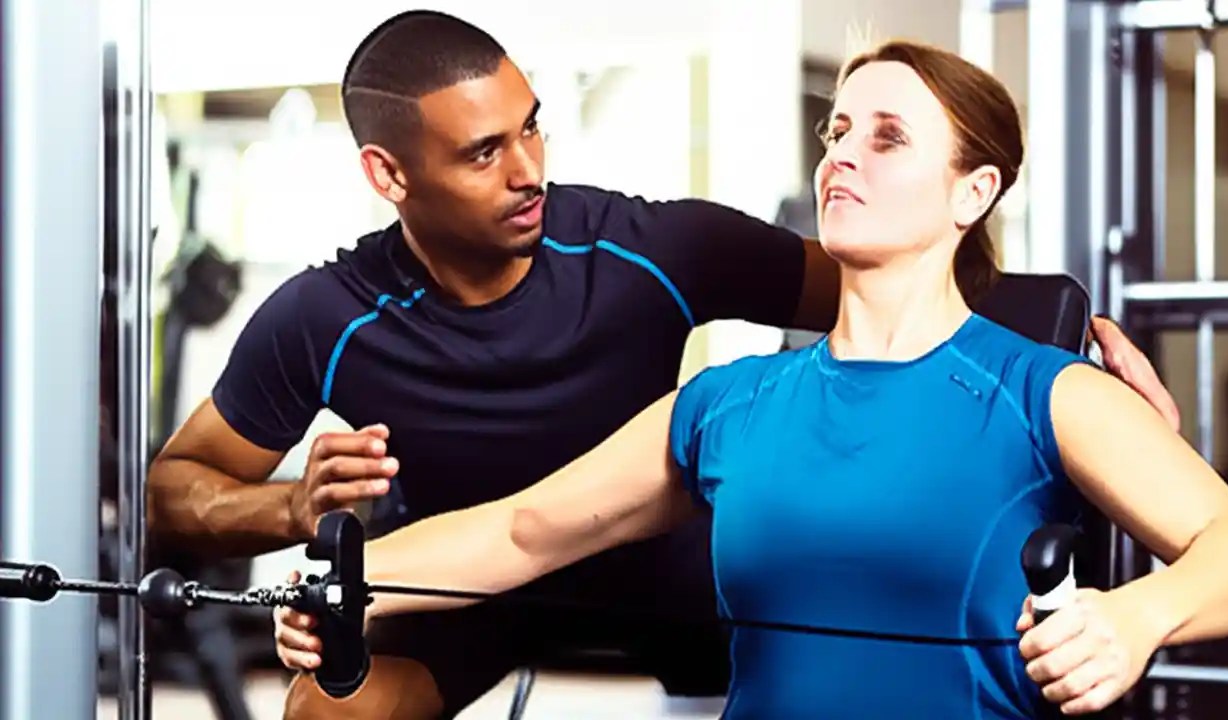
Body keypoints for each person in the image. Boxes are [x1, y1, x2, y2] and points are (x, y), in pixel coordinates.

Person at [143, 9, 1175, 719]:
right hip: (475, 574)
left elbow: (906, 286)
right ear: (388, 175)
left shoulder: (654, 249)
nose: (530, 170)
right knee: (330, 704)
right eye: (481, 153)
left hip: (673, 564)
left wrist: (1074, 364)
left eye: (532, 127)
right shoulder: (325, 314)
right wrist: (313, 543)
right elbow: (182, 491)